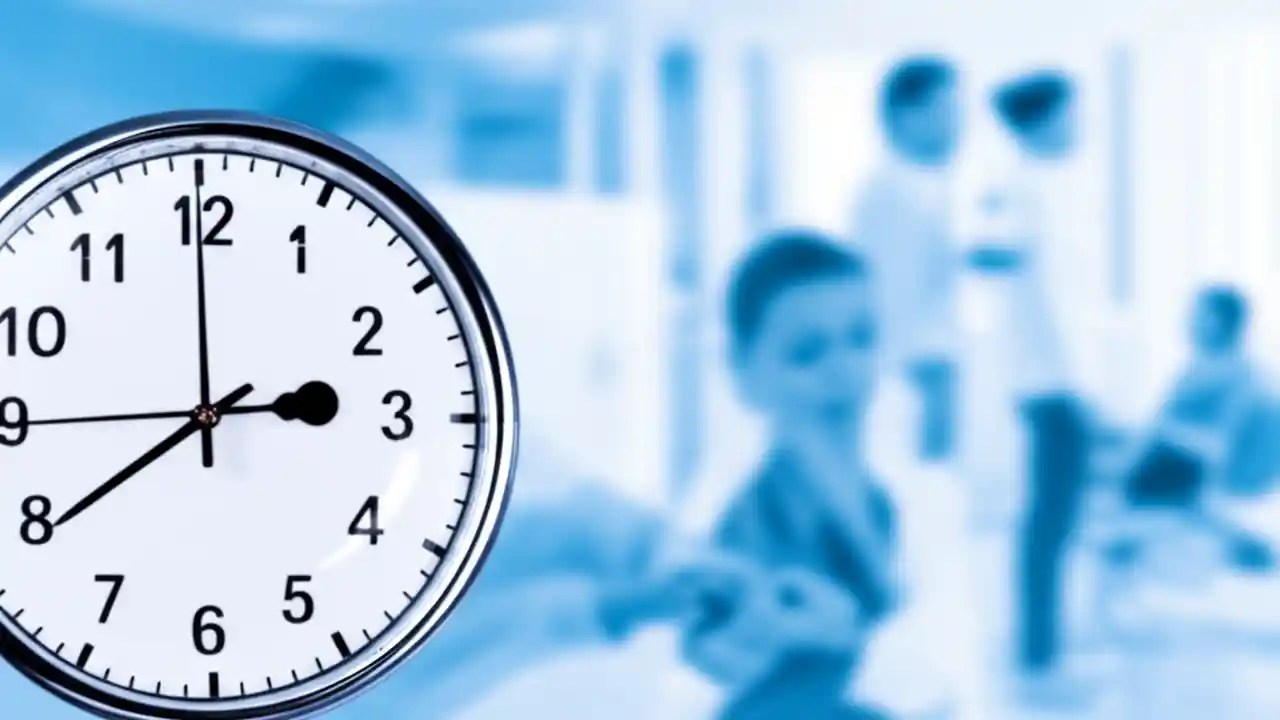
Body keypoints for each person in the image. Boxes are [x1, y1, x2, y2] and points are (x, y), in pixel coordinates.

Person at [670, 230, 897, 719]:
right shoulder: (756, 518)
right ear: (744, 373)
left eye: (861, 338)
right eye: (807, 353)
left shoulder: (880, 503)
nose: (844, 370)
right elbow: (705, 648)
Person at [980, 70, 1106, 691]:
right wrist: (1080, 387)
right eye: (1070, 113)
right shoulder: (1020, 191)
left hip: (1056, 378)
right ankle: (1039, 656)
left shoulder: (1045, 189)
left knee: (1055, 520)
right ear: (1042, 120)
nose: (1079, 125)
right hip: (1054, 383)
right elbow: (1047, 302)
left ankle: (1043, 648)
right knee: (1050, 521)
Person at [851, 56, 963, 463]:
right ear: (905, 117)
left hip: (930, 366)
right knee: (921, 477)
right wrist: (923, 378)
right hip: (916, 371)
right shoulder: (892, 194)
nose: (958, 125)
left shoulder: (926, 188)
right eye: (945, 111)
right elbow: (893, 300)